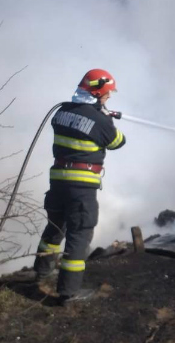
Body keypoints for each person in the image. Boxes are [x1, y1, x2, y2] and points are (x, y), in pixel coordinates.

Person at [32, 69, 126, 305]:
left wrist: (99, 113)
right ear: (96, 93)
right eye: (106, 94)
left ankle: (42, 272)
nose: (108, 98)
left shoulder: (62, 111)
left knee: (55, 228)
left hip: (58, 181)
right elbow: (117, 142)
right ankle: (68, 293)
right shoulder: (100, 120)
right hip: (81, 185)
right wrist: (106, 118)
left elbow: (79, 123)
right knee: (79, 234)